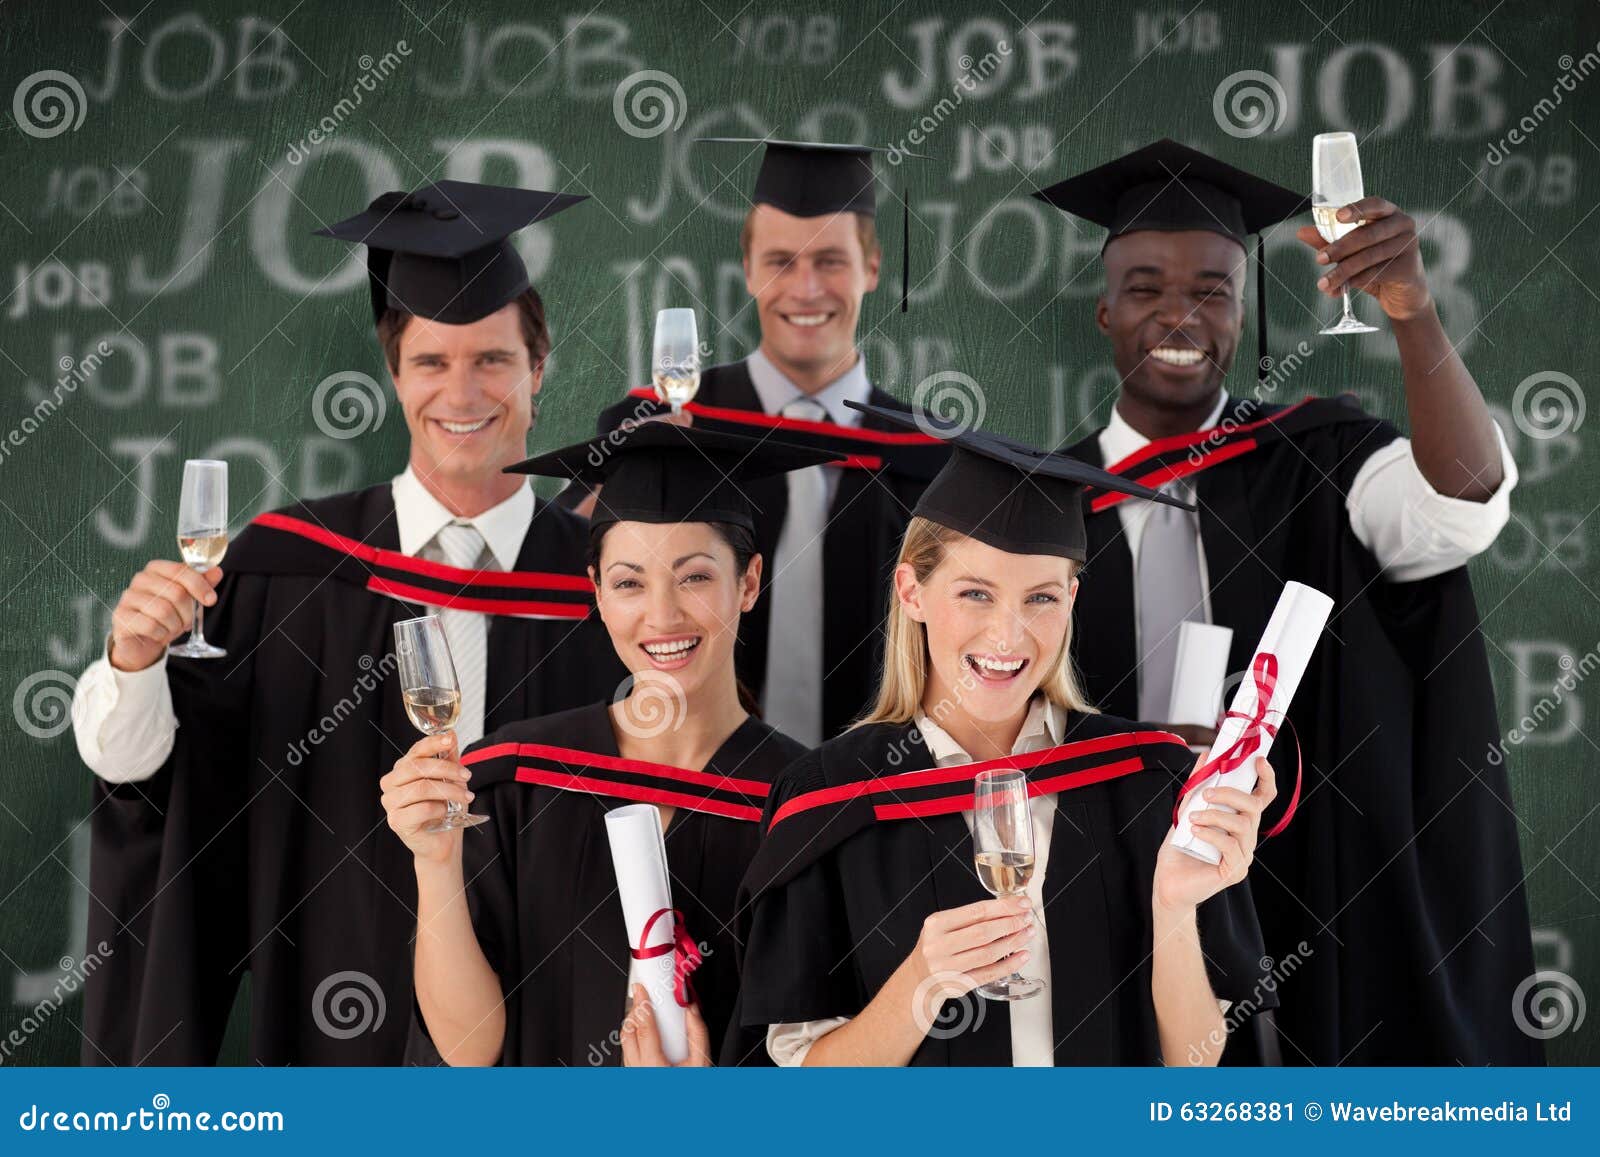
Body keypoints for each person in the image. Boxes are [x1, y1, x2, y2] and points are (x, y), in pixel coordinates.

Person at [71, 179, 624, 1065]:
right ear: (394, 375)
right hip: (337, 1033)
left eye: (492, 360)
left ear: (538, 369)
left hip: (562, 1037)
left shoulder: (612, 582)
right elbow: (160, 789)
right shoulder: (294, 568)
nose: (463, 391)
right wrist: (133, 665)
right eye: (432, 362)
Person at [1032, 139, 1538, 1064]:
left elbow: (1462, 504)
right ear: (1105, 311)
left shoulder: (1324, 457)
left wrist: (1413, 313)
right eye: (1145, 288)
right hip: (1096, 890)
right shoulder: (1041, 502)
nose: (1179, 313)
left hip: (1305, 880)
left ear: (1246, 314)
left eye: (1213, 291)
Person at [737, 403, 1279, 1066]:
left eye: (1041, 597)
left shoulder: (1143, 779)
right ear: (912, 591)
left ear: (1072, 601)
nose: (1008, 634)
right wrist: (923, 981)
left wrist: (1171, 906)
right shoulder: (828, 797)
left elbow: (1194, 1063)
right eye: (975, 593)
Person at [384, 423, 830, 1066]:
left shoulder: (807, 805)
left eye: (696, 577)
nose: (663, 615)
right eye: (628, 583)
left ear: (751, 581)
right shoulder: (514, 780)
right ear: (596, 592)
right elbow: (466, 1051)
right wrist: (435, 863)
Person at [573, 138, 947, 747]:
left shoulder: (928, 453)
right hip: (698, 781)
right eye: (780, 261)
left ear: (871, 266)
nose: (804, 288)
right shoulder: (655, 428)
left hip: (877, 790)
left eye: (829, 260)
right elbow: (583, 598)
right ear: (747, 269)